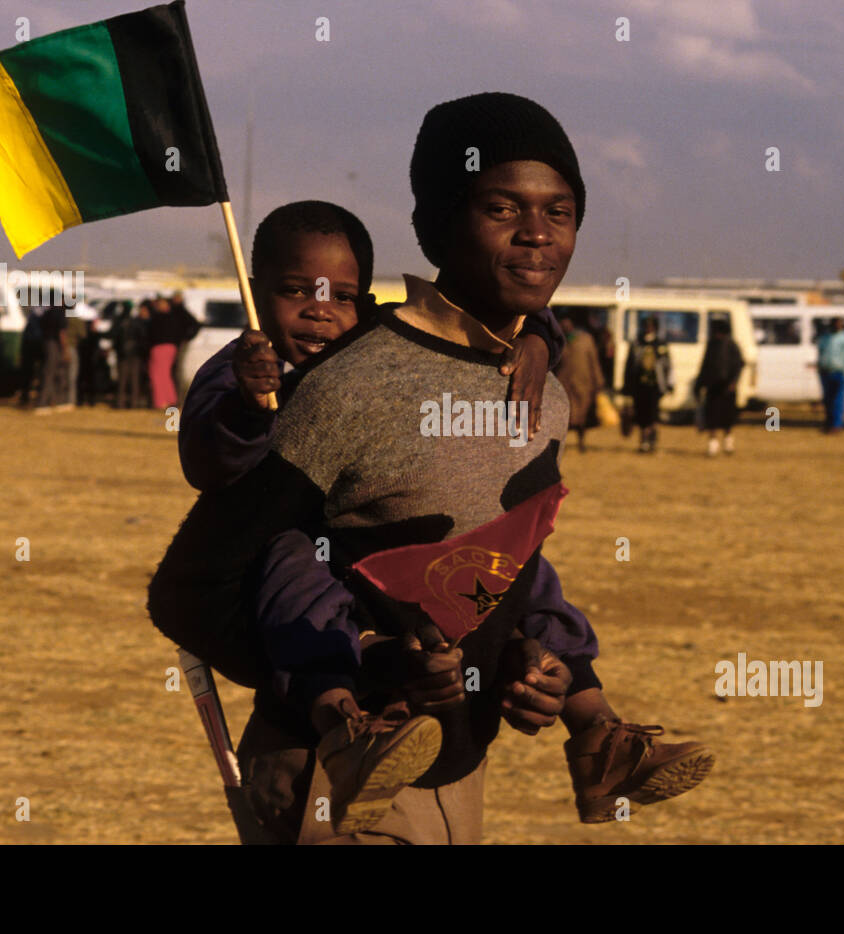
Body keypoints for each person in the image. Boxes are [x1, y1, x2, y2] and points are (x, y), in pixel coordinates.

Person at [149, 94, 714, 845]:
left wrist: (525, 668)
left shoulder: (540, 391)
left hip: (461, 773)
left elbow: (492, 572)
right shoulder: (353, 383)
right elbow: (190, 592)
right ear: (442, 222)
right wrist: (353, 678)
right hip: (342, 786)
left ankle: (599, 739)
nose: (537, 234)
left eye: (562, 211)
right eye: (503, 208)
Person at [554, 309, 605, 451]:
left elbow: (594, 362)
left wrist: (598, 381)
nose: (564, 325)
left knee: (582, 415)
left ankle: (581, 442)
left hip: (583, 383)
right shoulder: (559, 340)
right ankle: (560, 443)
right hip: (564, 383)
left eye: (566, 322)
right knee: (564, 416)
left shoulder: (586, 339)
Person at [694, 319, 744, 456]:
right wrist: (699, 384)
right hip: (712, 387)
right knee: (712, 418)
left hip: (727, 388)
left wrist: (733, 382)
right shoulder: (711, 345)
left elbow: (739, 364)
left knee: (727, 418)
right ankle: (713, 445)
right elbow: (705, 366)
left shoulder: (731, 345)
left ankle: (728, 443)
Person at [623, 315, 671, 453]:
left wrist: (668, 384)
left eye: (651, 326)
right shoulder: (637, 343)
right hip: (639, 386)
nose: (648, 329)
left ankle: (652, 440)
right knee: (642, 414)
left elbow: (667, 365)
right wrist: (627, 385)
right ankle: (643, 441)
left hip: (655, 386)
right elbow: (629, 365)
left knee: (653, 414)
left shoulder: (660, 344)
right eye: (646, 326)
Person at [816, 317, 844, 433]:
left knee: (838, 400)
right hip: (825, 372)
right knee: (827, 400)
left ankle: (837, 425)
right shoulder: (825, 338)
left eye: (840, 324)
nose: (837, 326)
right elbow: (820, 352)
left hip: (839, 372)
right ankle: (828, 423)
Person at [114, 301, 150, 409]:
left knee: (122, 380)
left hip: (123, 354)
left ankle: (120, 403)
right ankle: (134, 403)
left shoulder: (119, 321)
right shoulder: (137, 322)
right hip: (135, 354)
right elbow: (142, 337)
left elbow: (115, 337)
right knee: (135, 380)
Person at [34, 303, 68, 412]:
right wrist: (65, 350)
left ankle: (52, 401)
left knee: (49, 373)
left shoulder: (47, 312)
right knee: (50, 374)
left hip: (45, 344)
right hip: (53, 345)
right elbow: (61, 333)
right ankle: (42, 403)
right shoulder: (60, 312)